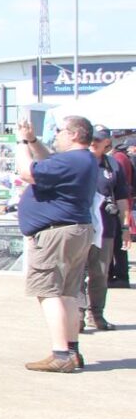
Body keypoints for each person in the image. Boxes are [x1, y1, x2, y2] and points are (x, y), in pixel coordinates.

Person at [15, 115, 98, 373]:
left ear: (74, 134)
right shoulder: (82, 160)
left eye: (60, 131)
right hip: (74, 229)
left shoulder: (74, 159)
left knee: (48, 291)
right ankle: (71, 350)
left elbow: (27, 171)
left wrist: (19, 142)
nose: (57, 135)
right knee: (67, 293)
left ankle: (60, 353)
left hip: (56, 234)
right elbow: (47, 159)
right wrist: (32, 140)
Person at [81, 126, 128, 333]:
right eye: (90, 140)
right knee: (76, 274)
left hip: (106, 227)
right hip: (80, 226)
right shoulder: (79, 163)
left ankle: (96, 314)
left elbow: (122, 198)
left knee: (100, 273)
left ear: (106, 144)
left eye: (97, 141)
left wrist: (125, 226)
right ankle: (77, 315)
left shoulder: (113, 166)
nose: (93, 144)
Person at [107, 143, 134, 288]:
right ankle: (117, 276)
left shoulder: (117, 159)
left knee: (117, 243)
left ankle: (119, 276)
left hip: (117, 203)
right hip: (119, 202)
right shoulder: (121, 158)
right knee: (117, 243)